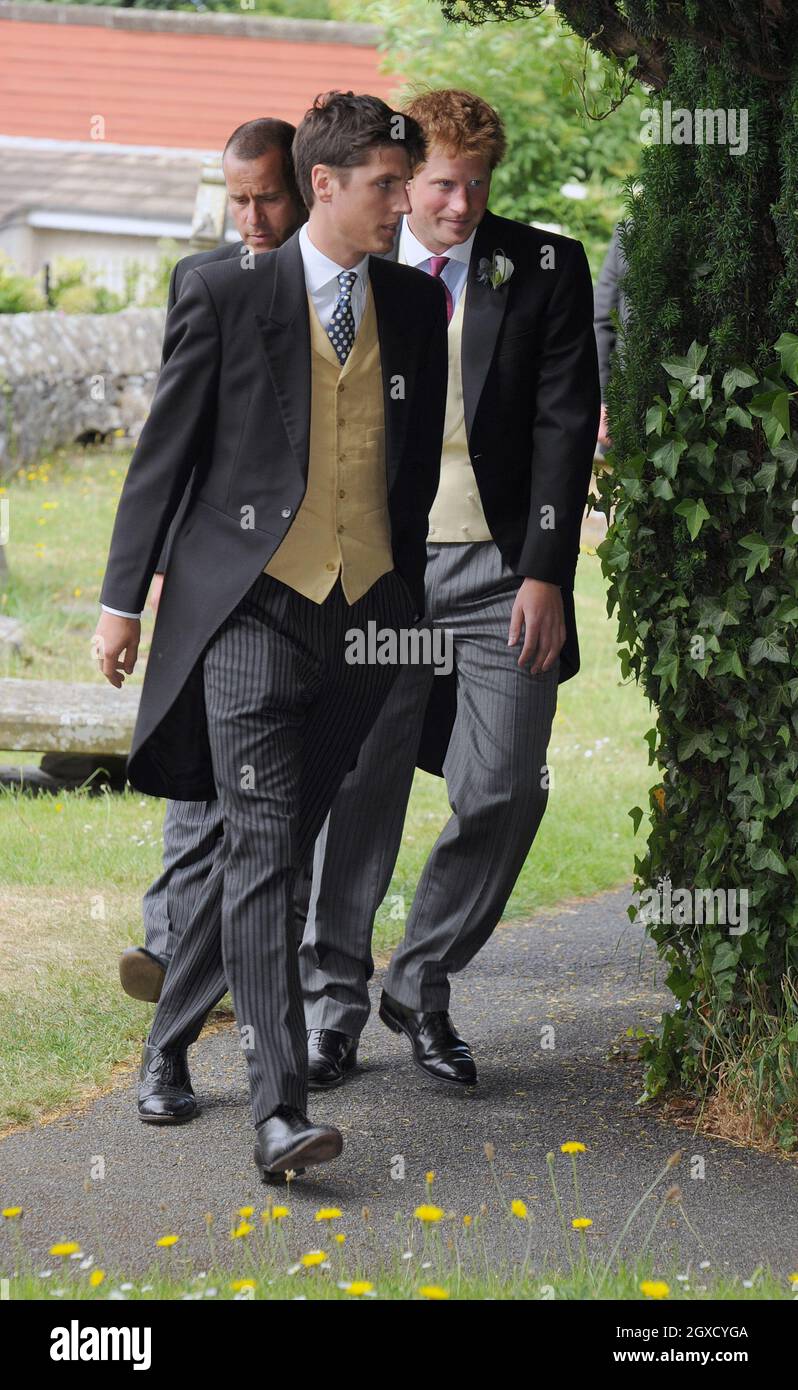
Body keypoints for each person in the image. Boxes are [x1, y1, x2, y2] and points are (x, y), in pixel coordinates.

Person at [94, 91, 448, 1182]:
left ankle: (166, 1041)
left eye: (407, 183)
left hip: (366, 616)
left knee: (279, 845)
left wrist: (405, 604)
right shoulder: (225, 290)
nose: (405, 205)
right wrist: (121, 600)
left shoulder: (414, 303)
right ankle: (279, 1113)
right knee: (259, 846)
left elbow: (408, 475)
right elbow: (167, 451)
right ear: (324, 183)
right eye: (386, 185)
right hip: (251, 609)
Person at [299, 88, 601, 1092]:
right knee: (358, 784)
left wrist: (546, 571)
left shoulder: (547, 268)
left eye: (476, 185)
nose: (460, 205)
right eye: (439, 184)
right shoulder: (356, 264)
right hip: (383, 573)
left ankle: (422, 981)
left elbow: (566, 424)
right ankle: (330, 1005)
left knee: (506, 785)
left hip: (504, 574)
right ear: (402, 179)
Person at [118, 116, 307, 1006]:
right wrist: (146, 577)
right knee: (199, 764)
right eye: (237, 200)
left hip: (311, 578)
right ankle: (167, 946)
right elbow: (174, 442)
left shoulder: (354, 288)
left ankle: (256, 956)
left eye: (266, 197)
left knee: (279, 790)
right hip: (212, 571)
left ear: (303, 188)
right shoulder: (204, 281)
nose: (252, 218)